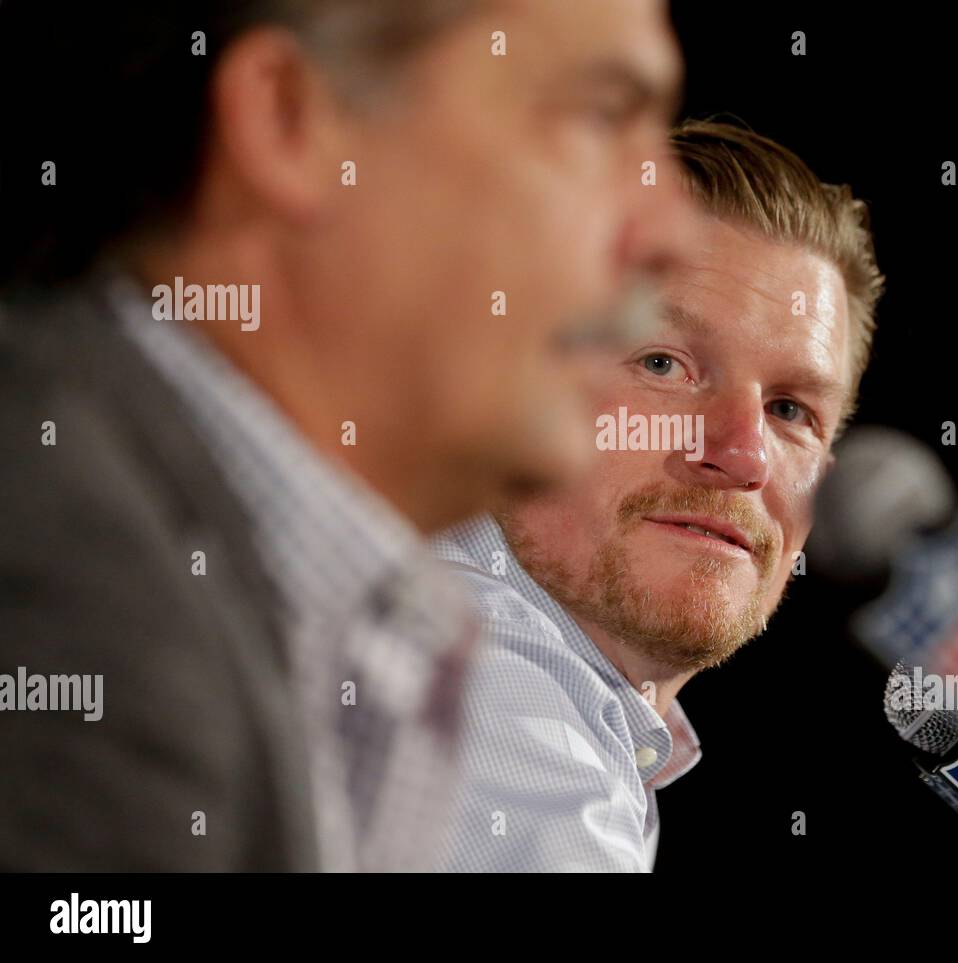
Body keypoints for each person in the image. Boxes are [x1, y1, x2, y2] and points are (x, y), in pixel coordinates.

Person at [0, 0, 691, 870]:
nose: (671, 230)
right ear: (294, 121)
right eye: (597, 118)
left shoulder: (305, 607)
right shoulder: (56, 567)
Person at [431, 118, 886, 870]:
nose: (742, 454)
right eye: (664, 364)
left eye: (790, 411)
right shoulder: (468, 686)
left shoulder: (585, 730)